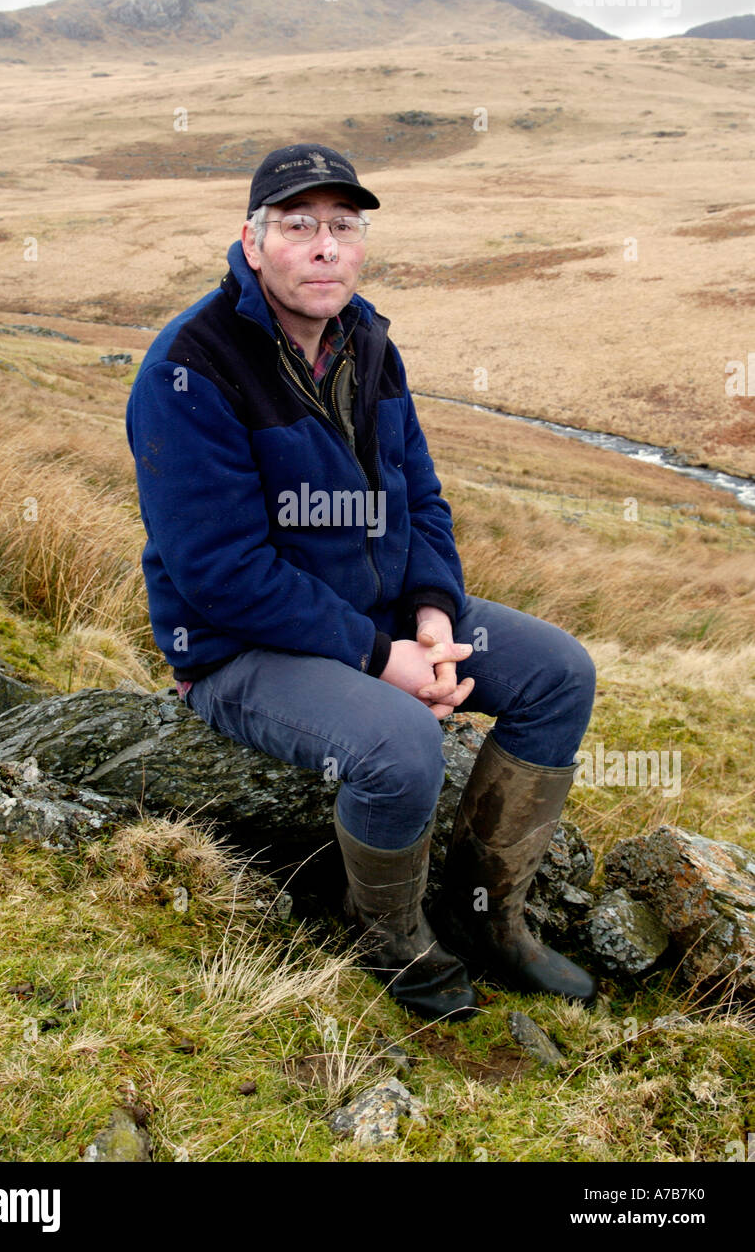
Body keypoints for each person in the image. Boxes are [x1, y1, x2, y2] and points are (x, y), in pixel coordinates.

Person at [125, 142, 598, 1023]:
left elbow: (420, 497)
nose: (325, 246)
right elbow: (221, 574)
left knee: (559, 673)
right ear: (252, 240)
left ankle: (488, 914)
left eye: (344, 226)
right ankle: (384, 935)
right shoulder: (188, 371)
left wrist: (429, 614)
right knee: (400, 745)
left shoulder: (369, 343)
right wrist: (385, 660)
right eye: (298, 225)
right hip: (239, 649)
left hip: (377, 613)